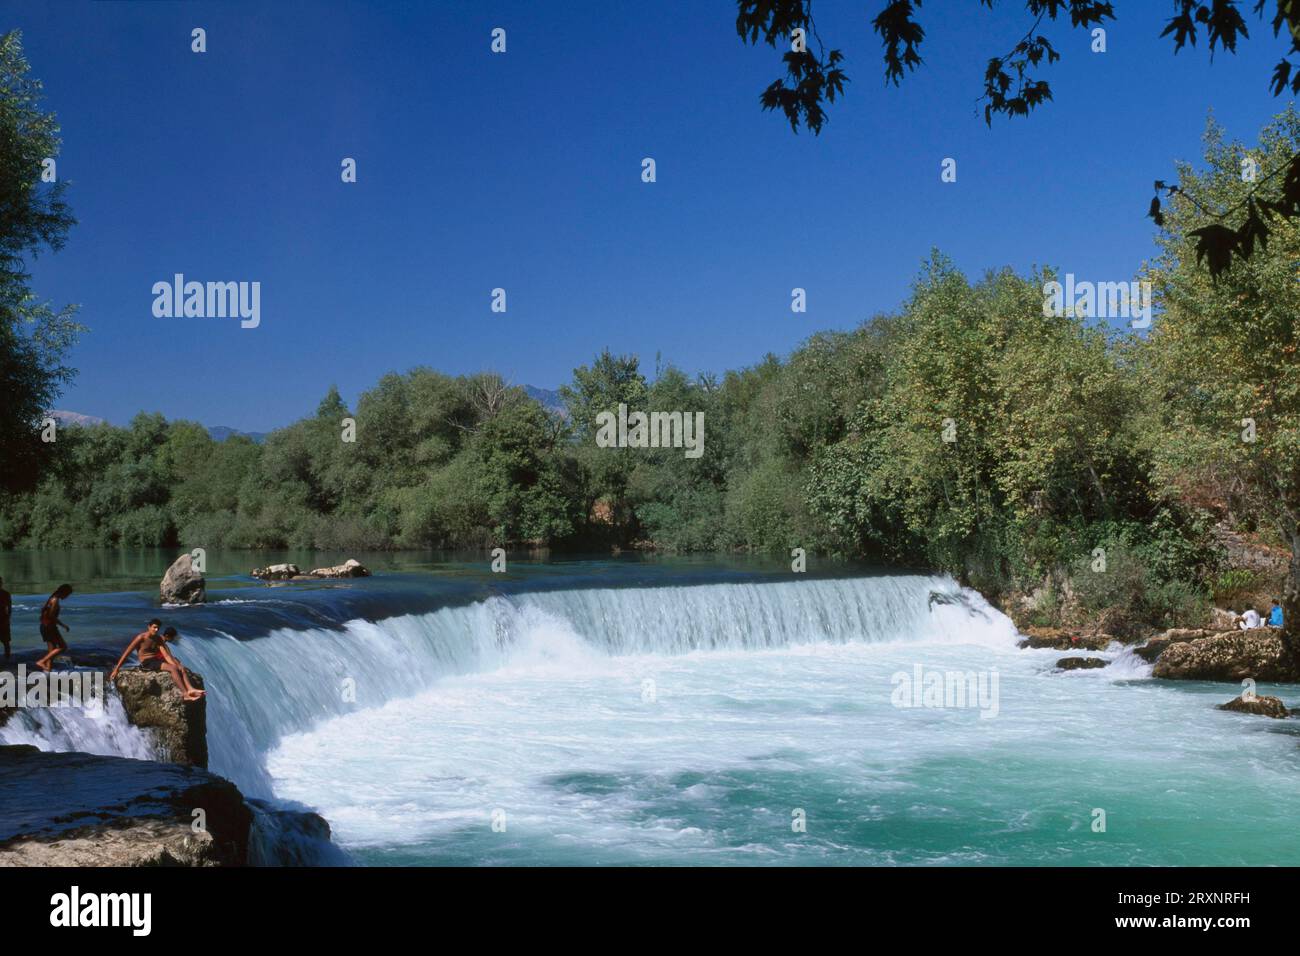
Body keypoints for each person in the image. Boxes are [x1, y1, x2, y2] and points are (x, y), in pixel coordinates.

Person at [109, 622, 205, 701]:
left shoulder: (158, 638)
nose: (156, 630)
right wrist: (117, 668)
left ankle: (190, 689)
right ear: (149, 627)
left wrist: (176, 665)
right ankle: (185, 694)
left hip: (155, 660)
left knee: (177, 666)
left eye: (158, 628)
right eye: (154, 627)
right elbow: (127, 652)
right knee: (173, 668)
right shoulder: (141, 637)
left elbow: (166, 654)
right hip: (146, 662)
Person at [34, 584, 72, 672]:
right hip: (49, 627)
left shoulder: (51, 598)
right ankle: (41, 661)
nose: (67, 597)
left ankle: (48, 669)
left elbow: (46, 615)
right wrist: (63, 625)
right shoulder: (55, 600)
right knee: (63, 647)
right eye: (67, 595)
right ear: (64, 593)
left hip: (45, 626)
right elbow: (51, 616)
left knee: (51, 650)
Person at [0, 576, 11, 663]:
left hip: (4, 619)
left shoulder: (6, 594)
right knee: (6, 642)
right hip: (4, 619)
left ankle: (7, 659)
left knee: (6, 642)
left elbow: (9, 609)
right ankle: (7, 659)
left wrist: (7, 619)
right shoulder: (6, 594)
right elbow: (9, 609)